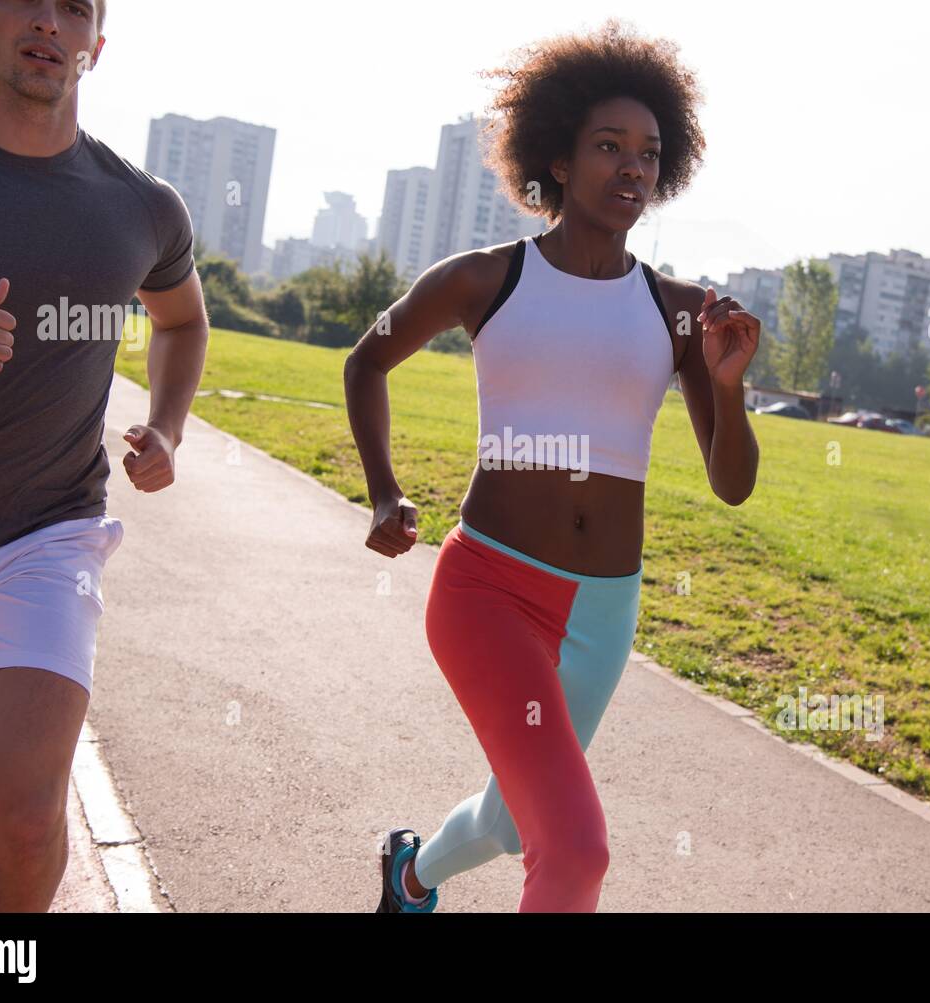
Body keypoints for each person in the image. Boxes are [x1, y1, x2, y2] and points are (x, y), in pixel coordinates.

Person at [345, 21, 760, 913]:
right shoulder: (484, 279)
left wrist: (727, 389)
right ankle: (413, 876)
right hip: (488, 591)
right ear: (559, 161)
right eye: (608, 146)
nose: (632, 169)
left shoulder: (682, 312)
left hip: (603, 614)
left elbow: (732, 482)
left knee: (515, 816)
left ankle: (409, 876)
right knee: (572, 852)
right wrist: (383, 491)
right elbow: (365, 360)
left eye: (649, 153)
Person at [0, 0, 208, 912]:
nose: (47, 21)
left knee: (27, 818)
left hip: (48, 536)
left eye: (74, 6)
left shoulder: (142, 205)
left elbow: (182, 320)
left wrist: (171, 427)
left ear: (95, 46)